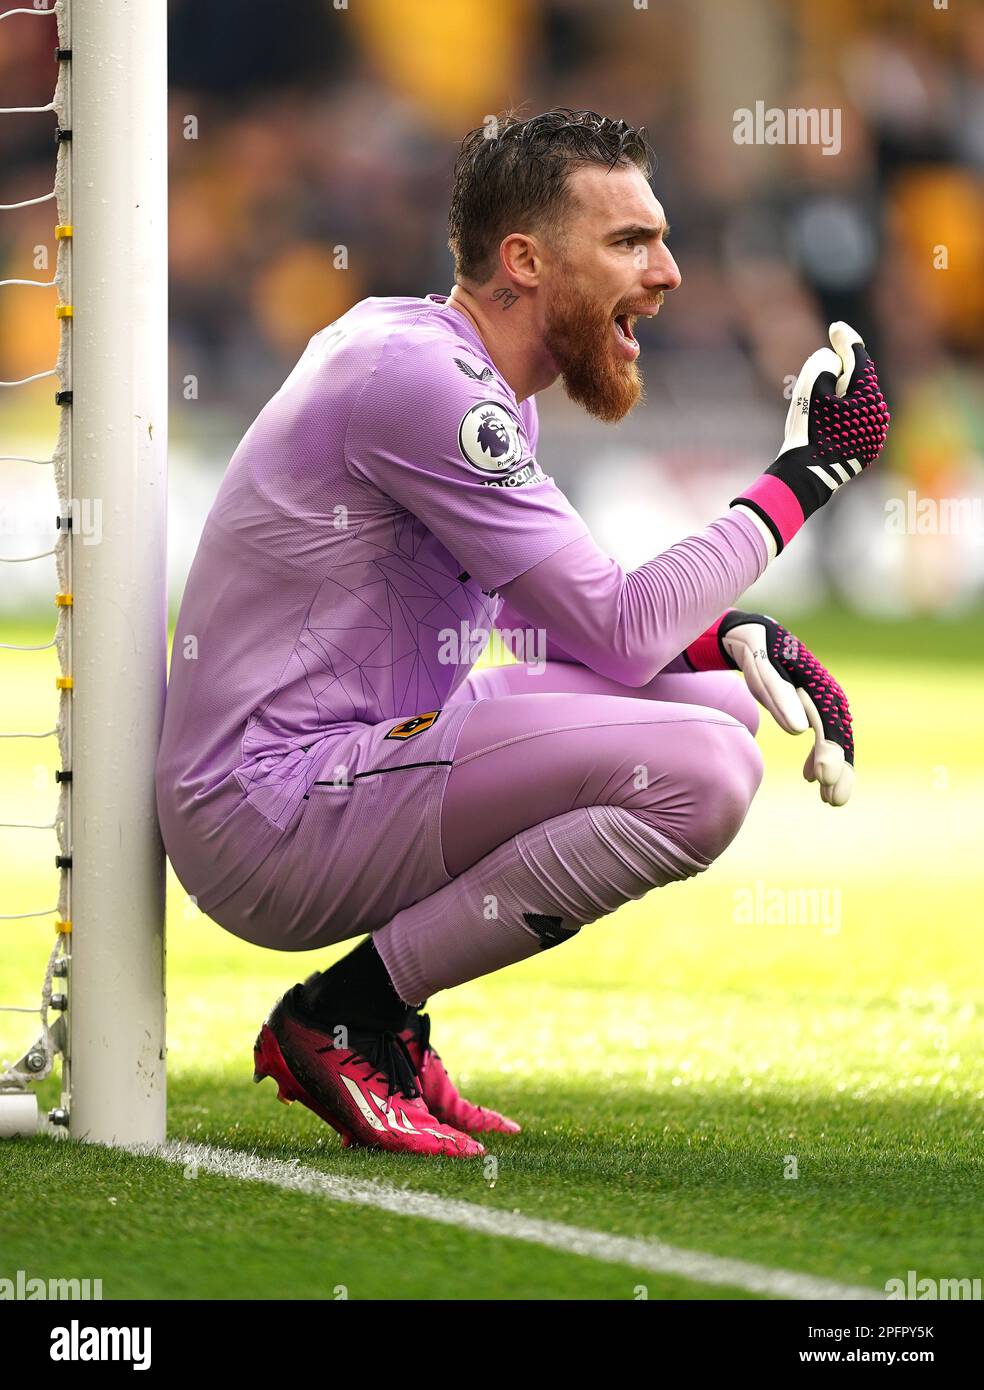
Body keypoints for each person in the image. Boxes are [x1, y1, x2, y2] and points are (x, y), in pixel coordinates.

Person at [155, 108, 889, 1159]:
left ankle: (391, 1024)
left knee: (722, 707)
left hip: (353, 755)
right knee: (708, 772)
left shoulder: (457, 373)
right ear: (526, 260)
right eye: (631, 241)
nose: (670, 272)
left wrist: (728, 637)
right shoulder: (431, 388)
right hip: (271, 808)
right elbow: (620, 626)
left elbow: (539, 629)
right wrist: (804, 475)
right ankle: (348, 1014)